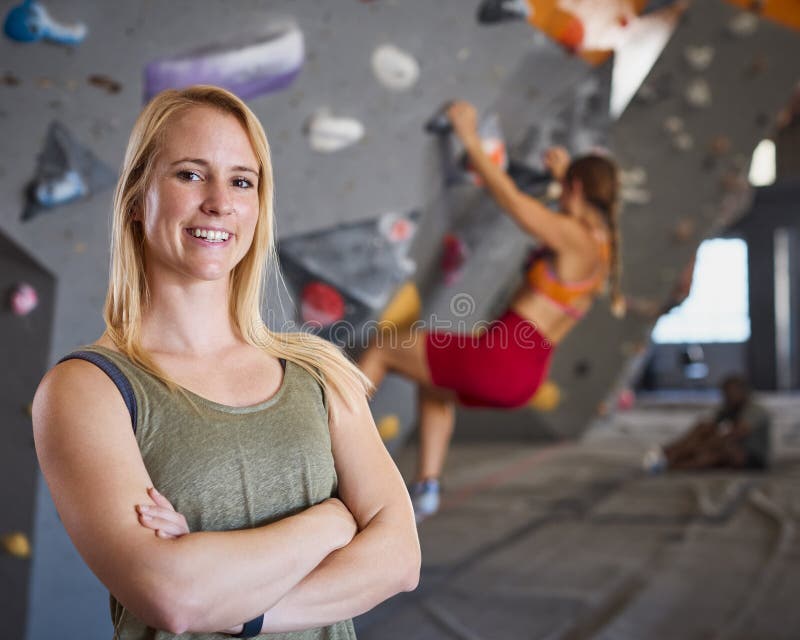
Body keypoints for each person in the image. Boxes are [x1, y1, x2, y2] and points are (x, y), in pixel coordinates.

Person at [32, 85, 420, 639]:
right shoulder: (87, 389)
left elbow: (399, 559)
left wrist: (242, 611)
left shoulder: (317, 372)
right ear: (138, 200)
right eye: (190, 175)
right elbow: (175, 597)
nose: (220, 202)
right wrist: (333, 521)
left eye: (242, 181)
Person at [359, 100, 624, 521]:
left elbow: (514, 203)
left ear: (575, 191)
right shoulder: (603, 248)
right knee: (435, 383)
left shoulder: (572, 235)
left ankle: (323, 450)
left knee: (381, 349)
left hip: (497, 361)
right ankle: (427, 485)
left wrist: (468, 136)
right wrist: (563, 179)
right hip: (524, 378)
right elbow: (567, 231)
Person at [643, 374, 772, 472]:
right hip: (732, 446)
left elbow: (736, 433)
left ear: (742, 392)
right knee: (704, 428)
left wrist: (699, 447)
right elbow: (710, 426)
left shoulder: (755, 410)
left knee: (714, 453)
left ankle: (673, 465)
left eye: (730, 393)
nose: (727, 397)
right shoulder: (729, 409)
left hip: (752, 458)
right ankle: (671, 453)